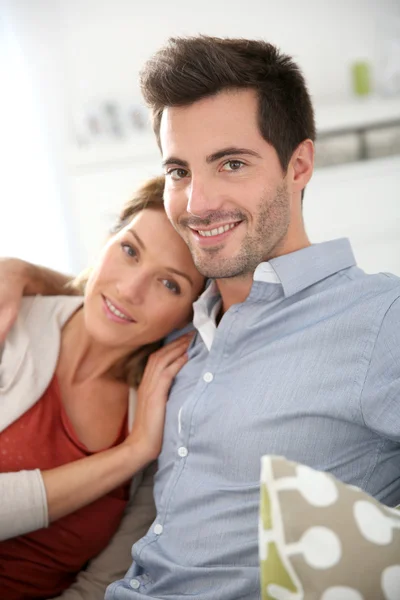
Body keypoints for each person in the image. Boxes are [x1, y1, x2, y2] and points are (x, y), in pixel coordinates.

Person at [2, 36, 400, 600]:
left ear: (300, 165)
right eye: (179, 171)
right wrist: (23, 272)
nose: (197, 202)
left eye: (231, 163)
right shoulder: (180, 328)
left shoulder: (380, 320)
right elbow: (112, 293)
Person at [0, 174, 204, 600]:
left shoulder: (160, 414)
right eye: (130, 250)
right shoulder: (8, 318)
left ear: (189, 315)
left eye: (169, 284)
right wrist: (130, 454)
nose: (129, 291)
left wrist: (145, 450)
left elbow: (104, 584)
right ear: (107, 240)